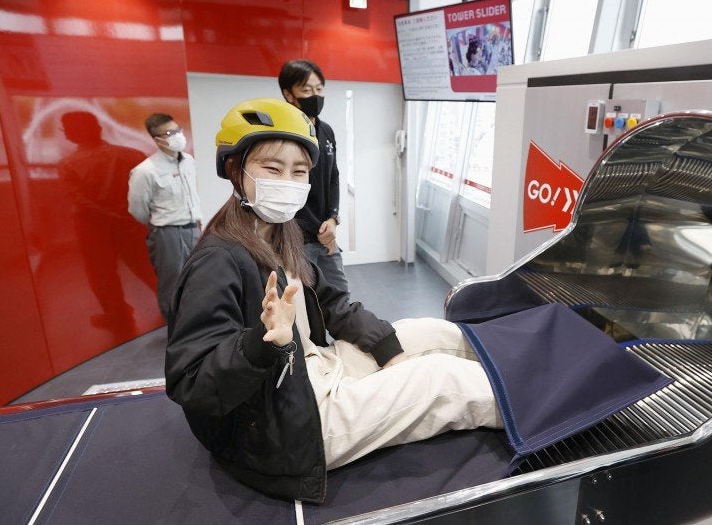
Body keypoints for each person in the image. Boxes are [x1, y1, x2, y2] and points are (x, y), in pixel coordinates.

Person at [165, 98, 500, 503]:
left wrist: (388, 350)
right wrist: (258, 344)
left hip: (312, 373)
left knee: (429, 332)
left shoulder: (282, 233)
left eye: (299, 171)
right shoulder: (218, 260)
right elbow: (192, 381)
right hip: (287, 424)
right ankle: (541, 398)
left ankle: (521, 354)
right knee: (439, 379)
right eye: (272, 168)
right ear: (236, 170)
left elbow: (336, 306)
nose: (287, 181)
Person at [59, 111, 155, 332]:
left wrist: (109, 216)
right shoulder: (133, 155)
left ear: (71, 134)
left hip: (93, 228)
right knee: (147, 267)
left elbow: (79, 199)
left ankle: (117, 316)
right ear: (98, 128)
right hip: (132, 223)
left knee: (102, 275)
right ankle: (177, 307)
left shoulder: (69, 164)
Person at [278, 59, 348, 293]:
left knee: (339, 293)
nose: (315, 95)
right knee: (303, 304)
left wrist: (333, 219)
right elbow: (286, 187)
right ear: (289, 94)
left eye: (319, 89)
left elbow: (333, 178)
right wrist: (312, 228)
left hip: (326, 234)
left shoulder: (326, 131)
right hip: (295, 238)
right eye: (306, 90)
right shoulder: (282, 134)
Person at [127, 113, 203, 320]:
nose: (177, 136)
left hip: (194, 227)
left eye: (177, 130)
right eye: (169, 133)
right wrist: (163, 226)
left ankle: (198, 325)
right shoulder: (145, 171)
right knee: (172, 285)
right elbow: (138, 210)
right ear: (157, 139)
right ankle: (176, 334)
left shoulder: (188, 160)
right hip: (168, 232)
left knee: (199, 279)